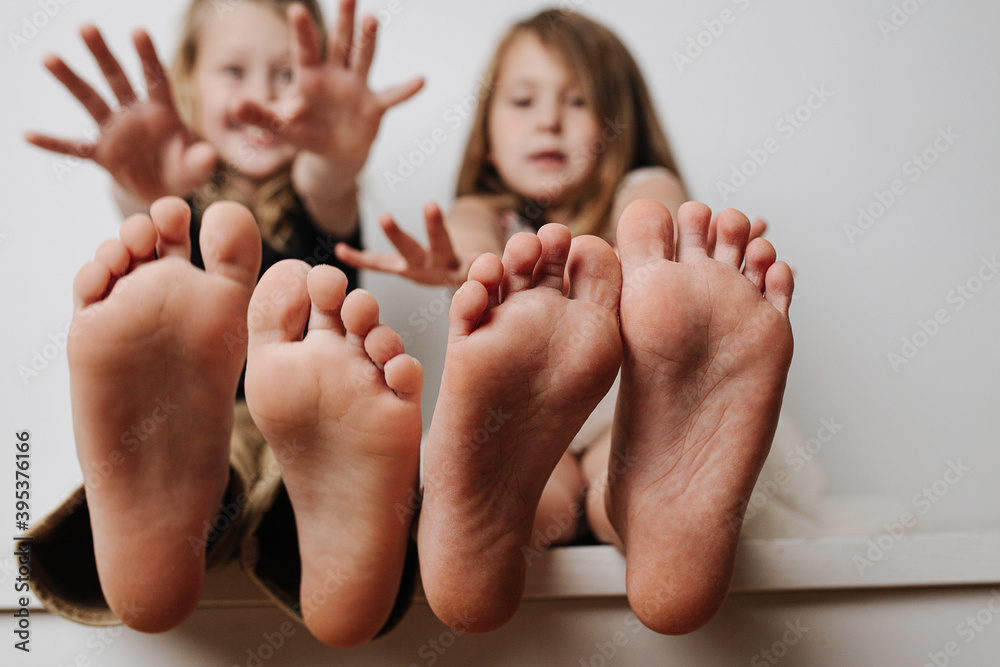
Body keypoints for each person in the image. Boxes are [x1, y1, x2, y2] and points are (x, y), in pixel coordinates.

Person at [335, 8, 794, 634]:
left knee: (620, 471)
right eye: (522, 100)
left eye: (577, 101)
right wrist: (467, 265)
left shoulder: (643, 184)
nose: (548, 119)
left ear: (620, 123)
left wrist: (668, 255)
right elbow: (473, 241)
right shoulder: (483, 214)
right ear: (487, 134)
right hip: (527, 416)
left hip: (634, 408)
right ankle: (501, 524)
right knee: (543, 489)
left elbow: (650, 201)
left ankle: (662, 521)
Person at [22, 0, 427, 647]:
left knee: (285, 466)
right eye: (234, 71)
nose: (260, 95)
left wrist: (342, 150)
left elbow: (331, 173)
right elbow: (150, 202)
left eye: (287, 75)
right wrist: (145, 192)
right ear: (187, 84)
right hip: (208, 422)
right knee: (226, 460)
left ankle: (287, 512)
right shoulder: (177, 208)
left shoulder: (316, 191)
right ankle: (177, 505)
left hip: (322, 420)